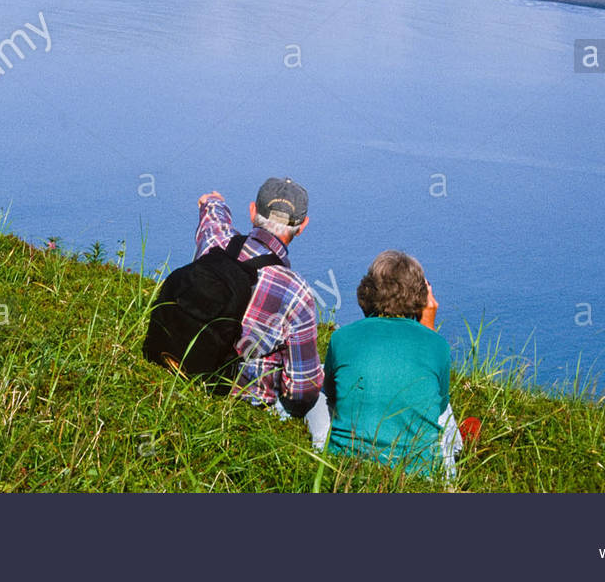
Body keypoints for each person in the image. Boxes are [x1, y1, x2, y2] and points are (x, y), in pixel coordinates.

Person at [194, 178, 329, 449]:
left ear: (253, 211)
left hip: (190, 376)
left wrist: (214, 202)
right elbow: (302, 393)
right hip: (249, 407)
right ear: (302, 227)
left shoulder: (215, 247)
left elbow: (213, 222)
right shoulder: (296, 293)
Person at [323, 250, 463, 480]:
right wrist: (427, 318)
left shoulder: (341, 338)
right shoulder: (437, 345)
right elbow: (437, 408)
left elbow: (330, 393)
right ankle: (452, 470)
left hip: (344, 467)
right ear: (421, 296)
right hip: (419, 473)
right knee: (444, 409)